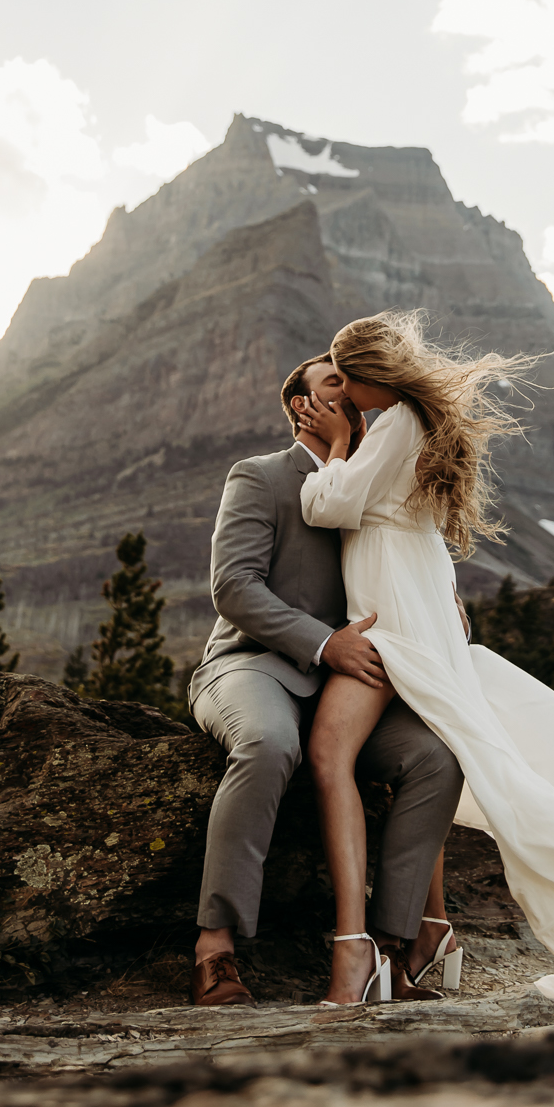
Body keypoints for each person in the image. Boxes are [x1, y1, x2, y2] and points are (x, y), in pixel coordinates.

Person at [299, 310, 554, 1012]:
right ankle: (429, 935)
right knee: (451, 755)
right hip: (409, 603)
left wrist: (330, 450)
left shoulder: (389, 424)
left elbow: (333, 508)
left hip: (392, 618)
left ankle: (364, 949)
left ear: (365, 378)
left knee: (343, 753)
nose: (336, 401)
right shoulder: (406, 421)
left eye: (342, 383)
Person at [186, 351, 465, 1008]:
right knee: (267, 745)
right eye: (331, 382)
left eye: (351, 379)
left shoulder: (374, 478)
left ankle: (392, 955)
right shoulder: (258, 477)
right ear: (301, 408)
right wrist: (322, 643)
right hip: (253, 665)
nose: (351, 391)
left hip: (353, 690)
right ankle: (214, 950)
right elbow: (233, 587)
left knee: (437, 759)